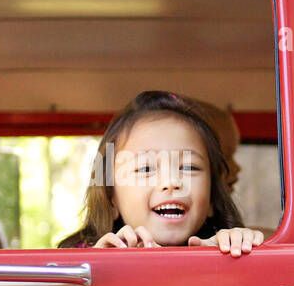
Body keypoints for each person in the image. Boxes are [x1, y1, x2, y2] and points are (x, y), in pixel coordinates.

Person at [58, 91, 263, 255]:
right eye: (146, 168)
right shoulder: (80, 260)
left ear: (211, 199)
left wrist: (237, 251)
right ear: (112, 198)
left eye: (190, 167)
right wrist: (99, 268)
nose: (171, 182)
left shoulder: (225, 248)